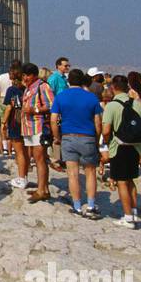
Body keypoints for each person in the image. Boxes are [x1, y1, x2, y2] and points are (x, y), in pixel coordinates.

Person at [51, 69, 104, 219]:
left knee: (72, 174)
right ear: (82, 81)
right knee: (90, 172)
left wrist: (57, 137)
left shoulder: (61, 97)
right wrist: (96, 138)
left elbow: (54, 120)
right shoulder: (91, 98)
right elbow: (98, 122)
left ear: (69, 81)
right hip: (87, 136)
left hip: (68, 136)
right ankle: (91, 205)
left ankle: (77, 206)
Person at [101, 75, 141, 228]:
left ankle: (128, 216)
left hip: (119, 146)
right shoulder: (138, 105)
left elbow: (106, 130)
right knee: (130, 180)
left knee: (121, 182)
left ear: (113, 88)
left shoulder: (112, 106)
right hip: (136, 147)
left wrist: (107, 143)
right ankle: (133, 211)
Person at [20, 63, 55, 202]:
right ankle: (43, 188)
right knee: (38, 158)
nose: (25, 78)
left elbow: (51, 104)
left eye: (27, 75)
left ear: (33, 75)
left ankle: (42, 190)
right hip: (29, 127)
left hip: (39, 126)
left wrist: (34, 110)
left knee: (40, 159)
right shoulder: (29, 88)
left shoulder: (42, 86)